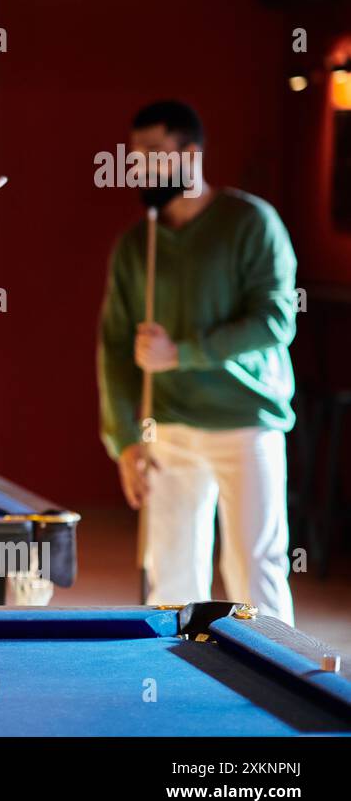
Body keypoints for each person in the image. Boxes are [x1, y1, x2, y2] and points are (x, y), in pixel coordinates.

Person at [98, 100, 297, 624]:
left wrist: (179, 354)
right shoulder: (135, 245)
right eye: (134, 154)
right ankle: (174, 695)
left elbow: (276, 321)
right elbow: (115, 348)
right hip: (169, 428)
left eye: (151, 153)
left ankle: (284, 699)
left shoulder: (252, 222)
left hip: (245, 423)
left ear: (192, 153)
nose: (137, 165)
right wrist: (124, 441)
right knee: (172, 582)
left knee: (256, 575)